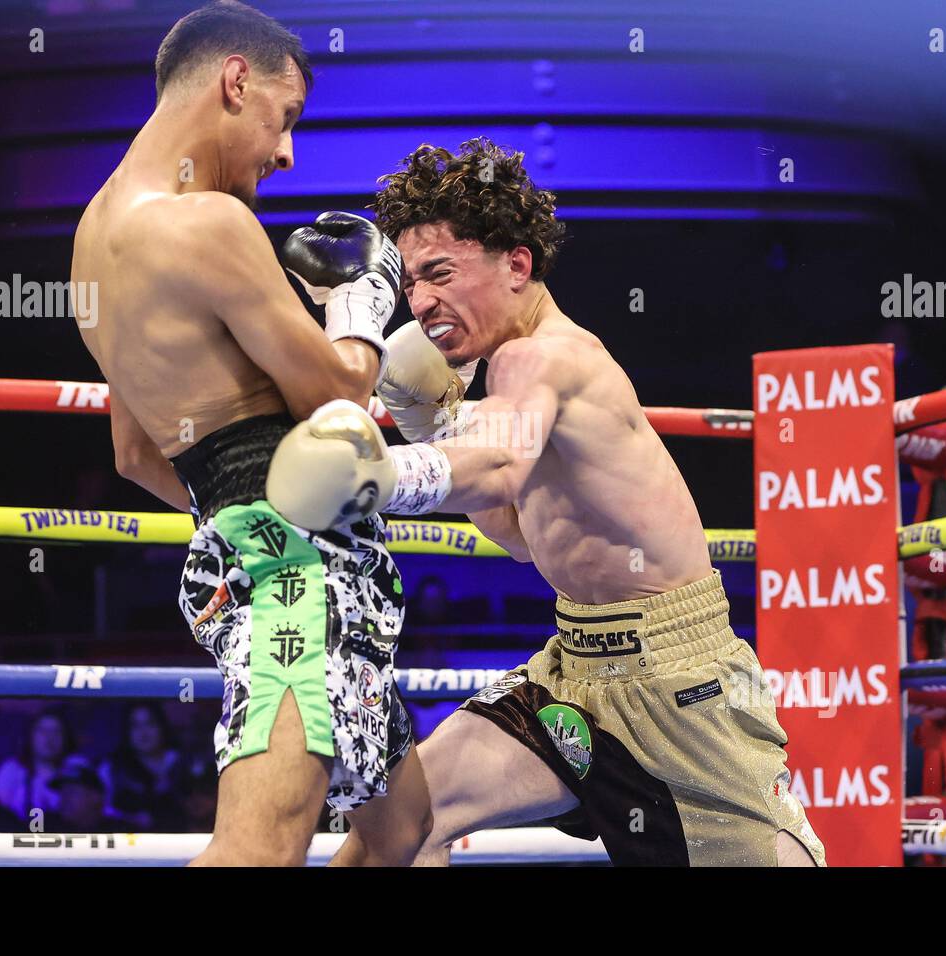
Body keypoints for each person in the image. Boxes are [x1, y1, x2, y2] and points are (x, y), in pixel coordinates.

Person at [268, 137, 826, 866]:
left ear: (517, 265)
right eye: (410, 285)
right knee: (401, 827)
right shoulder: (504, 379)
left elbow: (497, 465)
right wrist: (430, 425)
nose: (423, 302)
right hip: (574, 666)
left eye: (440, 273)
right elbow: (522, 533)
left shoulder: (547, 358)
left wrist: (377, 474)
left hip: (680, 683)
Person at [70, 1, 429, 865]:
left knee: (408, 835)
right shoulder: (210, 224)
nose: (285, 152)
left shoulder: (93, 239)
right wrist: (363, 301)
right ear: (237, 81)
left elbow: (135, 455)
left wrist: (243, 517)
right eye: (286, 116)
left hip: (249, 551)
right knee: (257, 853)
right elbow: (337, 390)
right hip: (296, 575)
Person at [100, 703, 186, 830]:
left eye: (150, 723)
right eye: (135, 726)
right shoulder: (112, 768)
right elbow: (102, 809)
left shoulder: (182, 763)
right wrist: (129, 818)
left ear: (162, 726)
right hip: (127, 840)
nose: (143, 732)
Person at [0, 708, 73, 824]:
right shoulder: (11, 770)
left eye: (56, 732)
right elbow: (0, 812)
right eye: (43, 731)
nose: (50, 739)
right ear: (30, 735)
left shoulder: (75, 770)